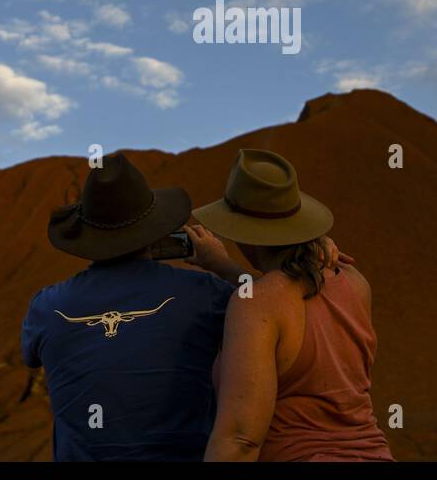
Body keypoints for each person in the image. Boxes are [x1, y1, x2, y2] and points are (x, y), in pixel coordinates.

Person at [20, 152, 343, 461]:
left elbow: (31, 355)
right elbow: (277, 303)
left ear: (87, 235)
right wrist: (299, 251)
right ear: (154, 230)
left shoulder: (46, 307)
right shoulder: (209, 294)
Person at [196, 149, 393, 462]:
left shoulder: (256, 304)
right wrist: (222, 265)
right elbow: (293, 295)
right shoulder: (356, 283)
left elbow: (240, 439)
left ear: (243, 234)